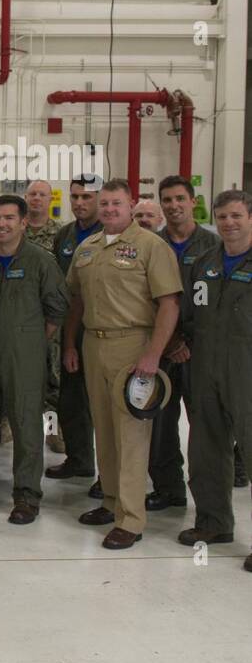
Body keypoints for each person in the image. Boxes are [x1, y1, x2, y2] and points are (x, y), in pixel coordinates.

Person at [63, 178, 181, 549]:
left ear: (131, 205)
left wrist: (153, 354)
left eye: (117, 203)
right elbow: (76, 301)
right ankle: (111, 501)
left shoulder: (150, 246)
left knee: (131, 434)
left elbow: (169, 303)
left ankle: (131, 519)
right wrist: (70, 343)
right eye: (105, 204)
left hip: (134, 347)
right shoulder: (87, 247)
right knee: (105, 429)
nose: (110, 210)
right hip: (94, 344)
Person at [0, 195, 67, 523]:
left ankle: (26, 495)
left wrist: (30, 340)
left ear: (23, 223)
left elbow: (57, 308)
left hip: (25, 358)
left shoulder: (40, 261)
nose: (2, 224)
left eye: (9, 218)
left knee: (26, 426)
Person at [144, 176, 221, 511]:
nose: (173, 205)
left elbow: (217, 302)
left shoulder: (213, 246)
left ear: (193, 201)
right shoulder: (151, 245)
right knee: (159, 422)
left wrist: (187, 338)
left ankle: (209, 502)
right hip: (161, 348)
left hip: (201, 350)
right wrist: (170, 339)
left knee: (205, 427)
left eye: (179, 199)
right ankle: (168, 489)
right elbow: (144, 299)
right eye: (167, 200)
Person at [185, 189, 252, 567]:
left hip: (247, 366)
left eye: (236, 216)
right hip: (206, 364)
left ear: (250, 217)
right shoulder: (205, 262)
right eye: (222, 216)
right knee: (206, 447)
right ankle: (213, 522)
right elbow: (193, 314)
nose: (228, 223)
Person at [48, 175, 102, 483]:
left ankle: (110, 475)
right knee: (71, 398)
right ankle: (79, 459)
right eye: (75, 197)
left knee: (104, 401)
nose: (80, 203)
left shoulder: (110, 233)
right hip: (71, 326)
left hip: (103, 326)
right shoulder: (65, 235)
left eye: (87, 197)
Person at [24, 180, 59, 252]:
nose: (37, 198)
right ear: (25, 198)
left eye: (42, 195)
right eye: (33, 194)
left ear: (50, 200)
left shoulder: (61, 232)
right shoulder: (15, 229)